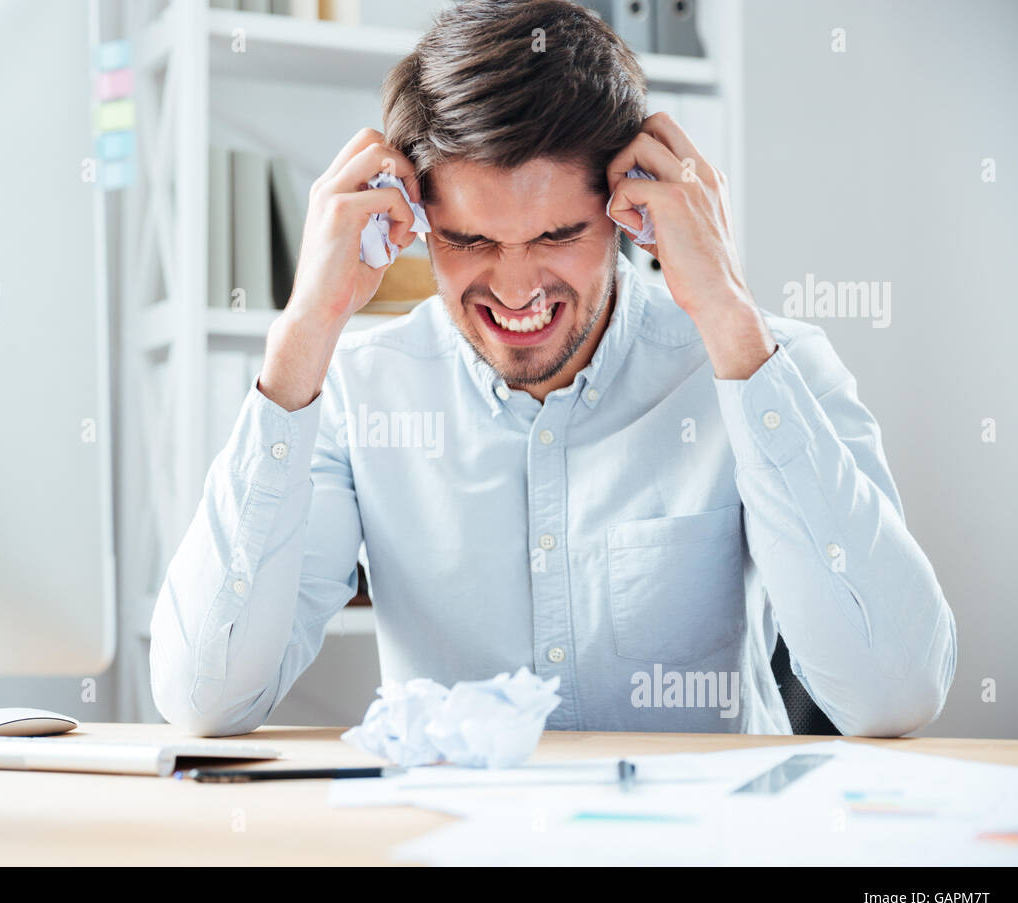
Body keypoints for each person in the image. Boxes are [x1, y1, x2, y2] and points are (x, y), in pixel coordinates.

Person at [149, 0, 955, 737]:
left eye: (555, 236)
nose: (514, 287)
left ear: (629, 208)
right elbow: (204, 699)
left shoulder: (762, 364)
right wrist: (303, 333)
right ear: (415, 218)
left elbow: (894, 695)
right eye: (469, 242)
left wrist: (729, 319)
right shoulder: (362, 391)